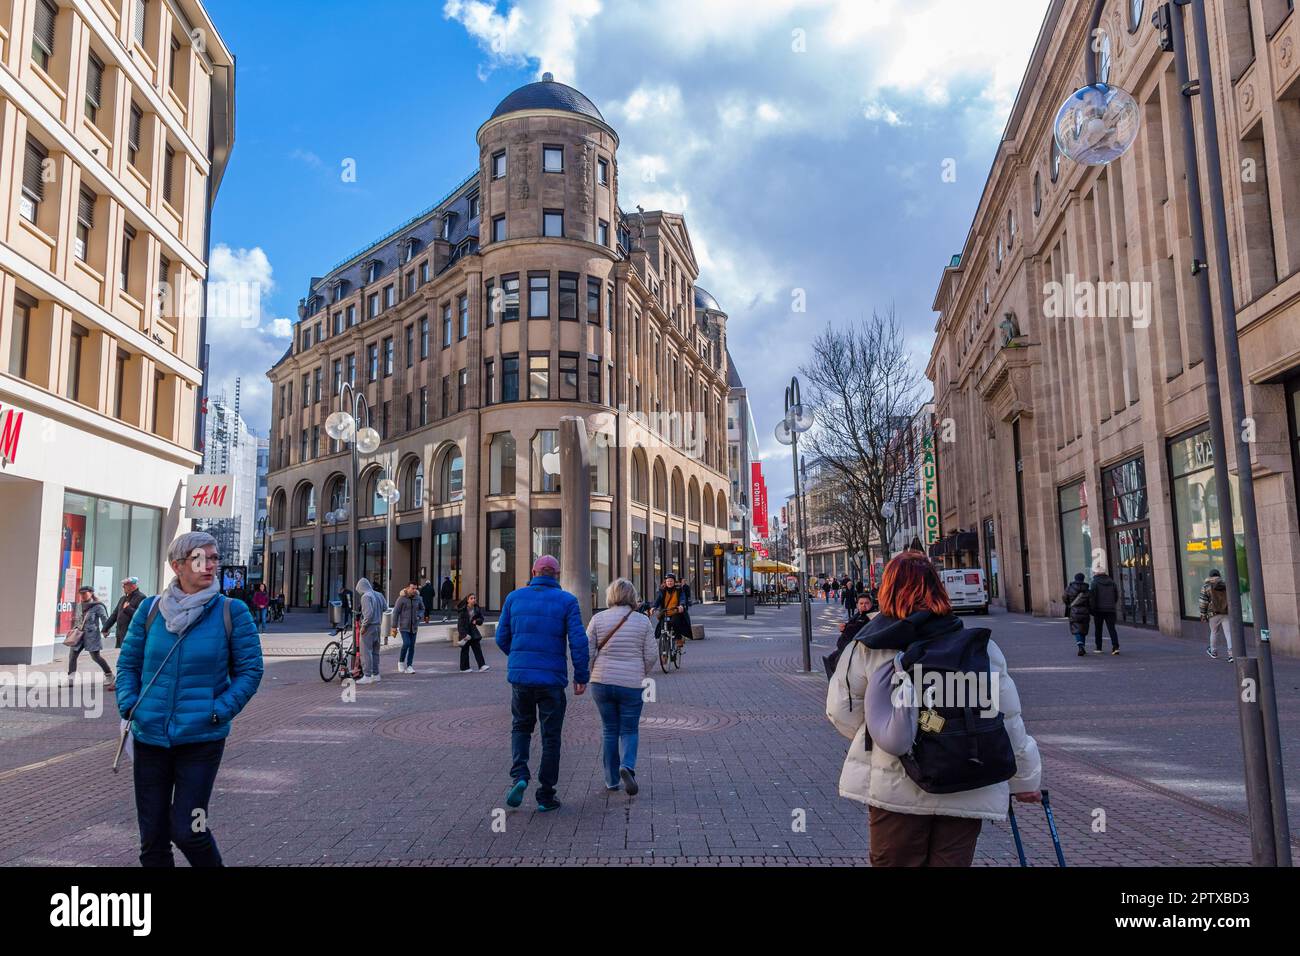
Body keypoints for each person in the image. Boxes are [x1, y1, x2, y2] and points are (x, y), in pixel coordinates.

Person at [827, 551, 1041, 867]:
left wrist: (891, 733)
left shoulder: (870, 647)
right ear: (939, 589)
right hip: (965, 778)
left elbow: (841, 711)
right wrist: (1026, 781)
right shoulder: (979, 647)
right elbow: (1007, 720)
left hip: (895, 783)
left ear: (886, 589)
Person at [115, 531, 263, 867]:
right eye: (201, 558)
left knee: (189, 829)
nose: (210, 565)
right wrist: (129, 703)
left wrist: (219, 711)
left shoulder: (231, 611)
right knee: (152, 839)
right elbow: (128, 663)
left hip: (200, 741)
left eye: (214, 558)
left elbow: (250, 671)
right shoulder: (150, 610)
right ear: (177, 565)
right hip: (150, 738)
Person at [495, 555, 589, 813]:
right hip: (552, 681)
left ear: (533, 571)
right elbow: (578, 641)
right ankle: (546, 795)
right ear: (556, 575)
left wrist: (518, 658)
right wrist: (581, 676)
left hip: (521, 680)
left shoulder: (514, 598)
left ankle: (520, 775)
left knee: (521, 727)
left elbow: (501, 637)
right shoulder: (568, 601)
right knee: (551, 737)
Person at [587, 578, 658, 796]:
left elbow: (587, 652)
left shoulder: (597, 619)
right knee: (629, 729)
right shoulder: (642, 621)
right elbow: (652, 655)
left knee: (609, 730)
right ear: (632, 597)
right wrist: (641, 671)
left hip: (601, 682)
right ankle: (627, 766)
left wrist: (593, 671)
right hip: (631, 683)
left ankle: (610, 780)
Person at [68, 586, 114, 688]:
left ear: (91, 593)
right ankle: (70, 680)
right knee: (72, 656)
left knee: (95, 657)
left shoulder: (98, 606)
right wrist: (73, 629)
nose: (83, 595)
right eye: (81, 594)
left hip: (92, 636)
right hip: (79, 635)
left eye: (85, 593)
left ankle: (109, 675)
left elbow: (105, 619)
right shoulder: (80, 605)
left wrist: (106, 630)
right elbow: (78, 619)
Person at [354, 577, 387, 684]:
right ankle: (376, 674)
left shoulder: (366, 597)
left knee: (366, 652)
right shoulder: (379, 594)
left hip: (369, 627)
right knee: (375, 652)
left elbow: (368, 613)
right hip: (378, 626)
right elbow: (385, 608)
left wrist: (363, 626)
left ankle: (367, 675)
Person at [1199, 569, 1234, 662]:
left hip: (1213, 613)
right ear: (1219, 575)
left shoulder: (1206, 586)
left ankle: (1213, 651)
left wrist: (1203, 614)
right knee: (1228, 633)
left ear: (1210, 576)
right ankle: (1231, 655)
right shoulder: (1226, 585)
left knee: (1214, 632)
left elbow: (1203, 602)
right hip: (1226, 612)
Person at [104, 577, 146, 649]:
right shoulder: (123, 599)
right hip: (120, 635)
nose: (123, 587)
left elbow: (141, 616)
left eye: (125, 585)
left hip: (131, 635)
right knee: (119, 656)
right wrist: (105, 628)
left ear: (133, 586)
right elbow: (114, 615)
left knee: (127, 657)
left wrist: (128, 608)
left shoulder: (141, 597)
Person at [392, 583, 425, 674]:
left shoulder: (418, 598)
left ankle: (410, 666)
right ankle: (401, 662)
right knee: (406, 643)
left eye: (415, 588)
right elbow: (396, 613)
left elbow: (422, 608)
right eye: (412, 588)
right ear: (407, 588)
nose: (414, 590)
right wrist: (394, 626)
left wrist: (419, 615)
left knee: (412, 646)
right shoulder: (401, 599)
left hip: (414, 626)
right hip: (404, 626)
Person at [1089, 569, 1121, 655]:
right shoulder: (1112, 582)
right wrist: (1112, 604)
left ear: (1096, 573)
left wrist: (1092, 609)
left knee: (1098, 629)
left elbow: (1093, 597)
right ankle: (1116, 647)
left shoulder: (1094, 583)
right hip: (1110, 609)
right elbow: (1116, 595)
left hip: (1098, 610)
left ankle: (1099, 648)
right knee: (1112, 629)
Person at [457, 593, 489, 672]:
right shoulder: (463, 610)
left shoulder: (476, 608)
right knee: (465, 650)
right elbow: (460, 624)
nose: (473, 599)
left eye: (474, 598)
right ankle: (464, 668)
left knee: (477, 648)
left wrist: (476, 621)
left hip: (473, 632)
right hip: (465, 632)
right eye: (471, 598)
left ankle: (482, 666)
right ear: (467, 600)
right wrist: (463, 635)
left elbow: (481, 619)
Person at [1063, 573, 1091, 657]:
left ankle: (1080, 646)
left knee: (1076, 629)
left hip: (1074, 611)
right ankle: (1083, 646)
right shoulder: (1087, 589)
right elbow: (1091, 601)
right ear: (1083, 579)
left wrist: (1069, 604)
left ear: (1075, 579)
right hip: (1085, 611)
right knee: (1083, 629)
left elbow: (1064, 597)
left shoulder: (1070, 588)